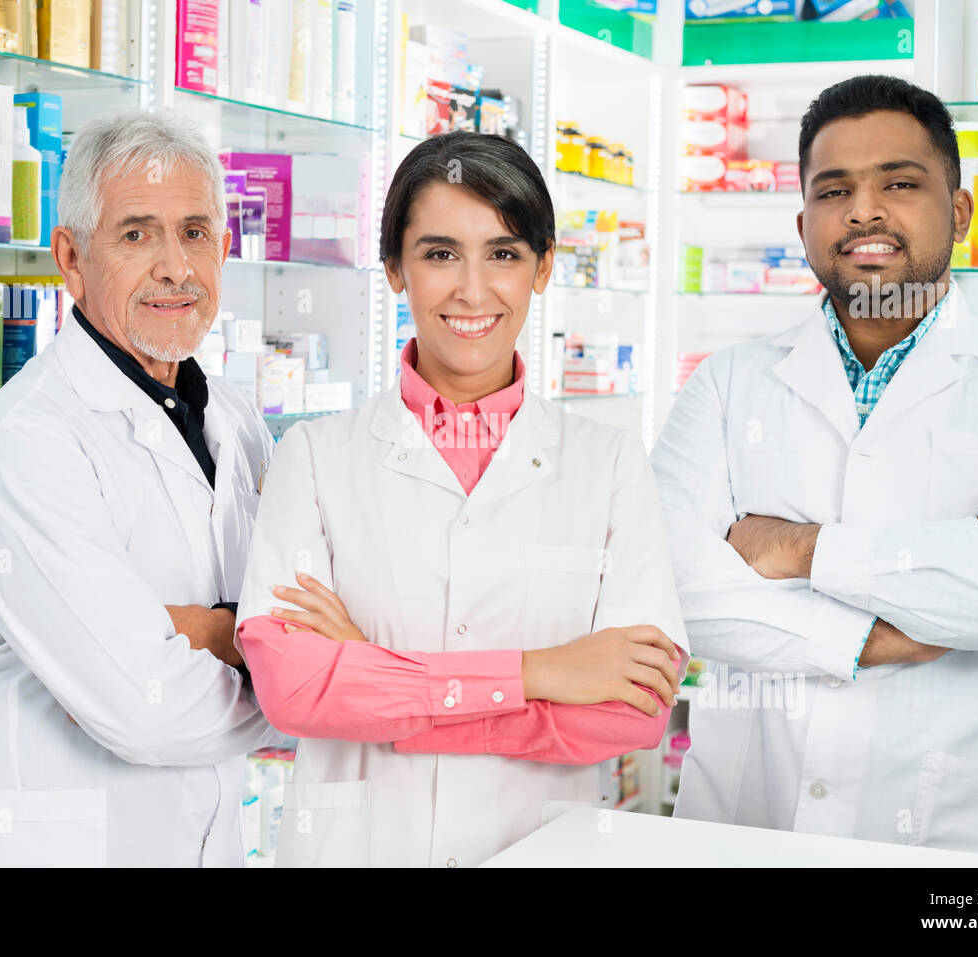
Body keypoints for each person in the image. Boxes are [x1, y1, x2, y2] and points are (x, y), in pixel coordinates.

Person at [652, 74, 978, 860]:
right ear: (804, 225)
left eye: (900, 182)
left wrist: (797, 549)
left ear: (958, 213)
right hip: (746, 824)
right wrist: (905, 627)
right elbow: (671, 589)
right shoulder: (725, 385)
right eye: (836, 190)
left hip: (957, 841)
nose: (865, 211)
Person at [234, 131, 687, 868]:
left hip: (539, 849)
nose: (473, 290)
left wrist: (374, 671)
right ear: (394, 269)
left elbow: (634, 708)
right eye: (440, 253)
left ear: (542, 268)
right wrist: (541, 672)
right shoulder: (313, 456)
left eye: (504, 253)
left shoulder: (608, 464)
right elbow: (294, 690)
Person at [0, 110, 280, 867]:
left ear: (224, 250)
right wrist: (295, 679)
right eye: (135, 234)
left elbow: (309, 611)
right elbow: (143, 707)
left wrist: (203, 630)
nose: (174, 267)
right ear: (71, 256)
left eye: (194, 232)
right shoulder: (28, 436)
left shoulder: (236, 422)